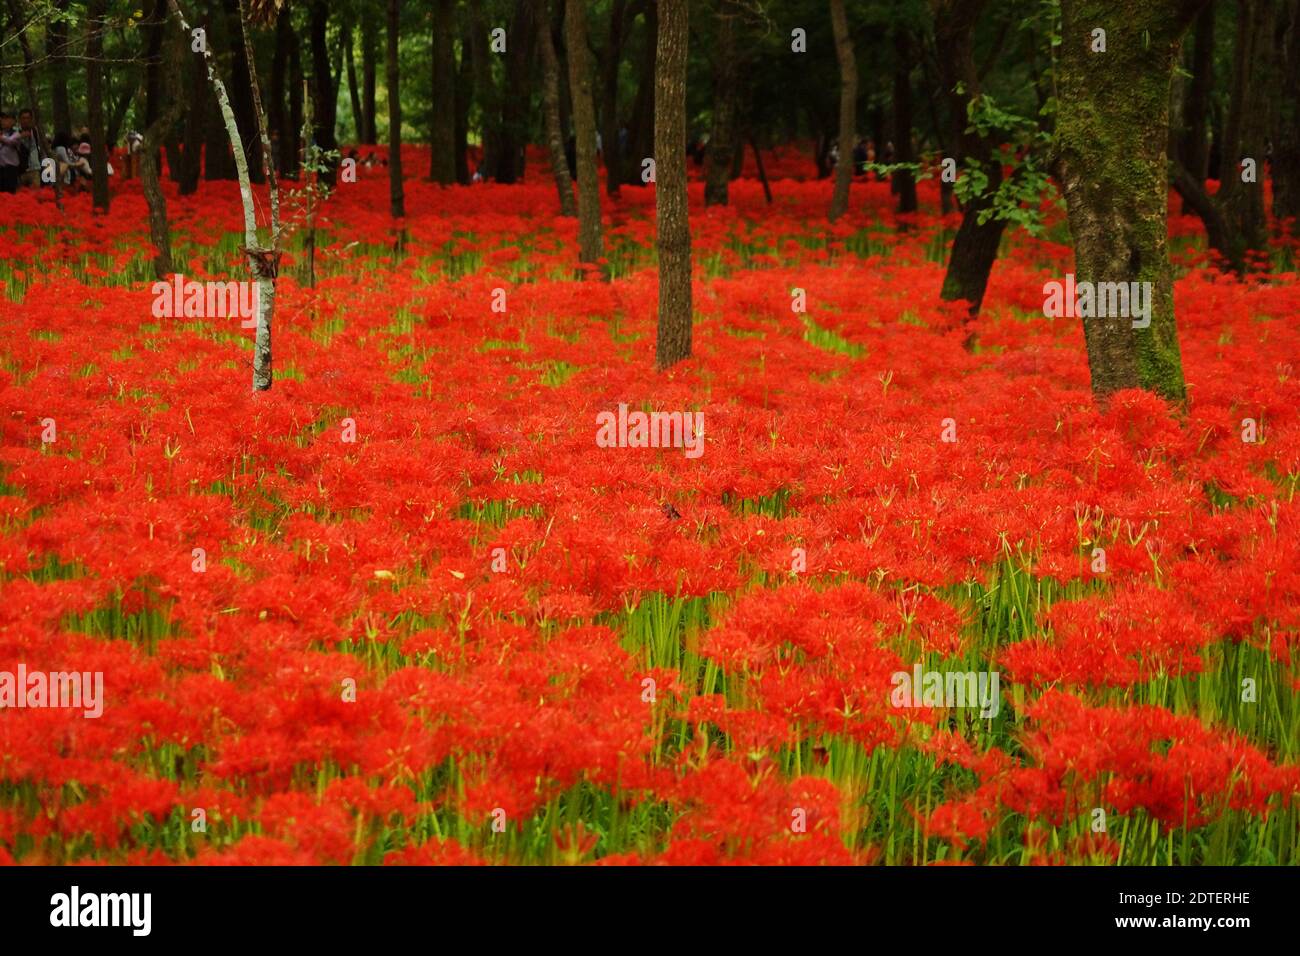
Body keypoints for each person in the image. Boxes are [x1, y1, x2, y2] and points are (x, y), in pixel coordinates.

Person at [17, 108, 42, 187]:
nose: (25, 120)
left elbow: (42, 147)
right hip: (20, 170)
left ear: (31, 119)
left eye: (28, 118)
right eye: (23, 118)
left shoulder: (36, 131)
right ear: (20, 120)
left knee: (35, 195)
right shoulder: (15, 133)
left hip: (34, 168)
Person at [0, 113, 21, 194]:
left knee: (10, 193)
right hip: (1, 169)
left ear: (13, 122)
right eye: (2, 120)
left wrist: (1, 138)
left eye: (7, 120)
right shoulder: (1, 133)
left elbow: (11, 141)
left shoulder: (16, 134)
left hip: (11, 169)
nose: (3, 122)